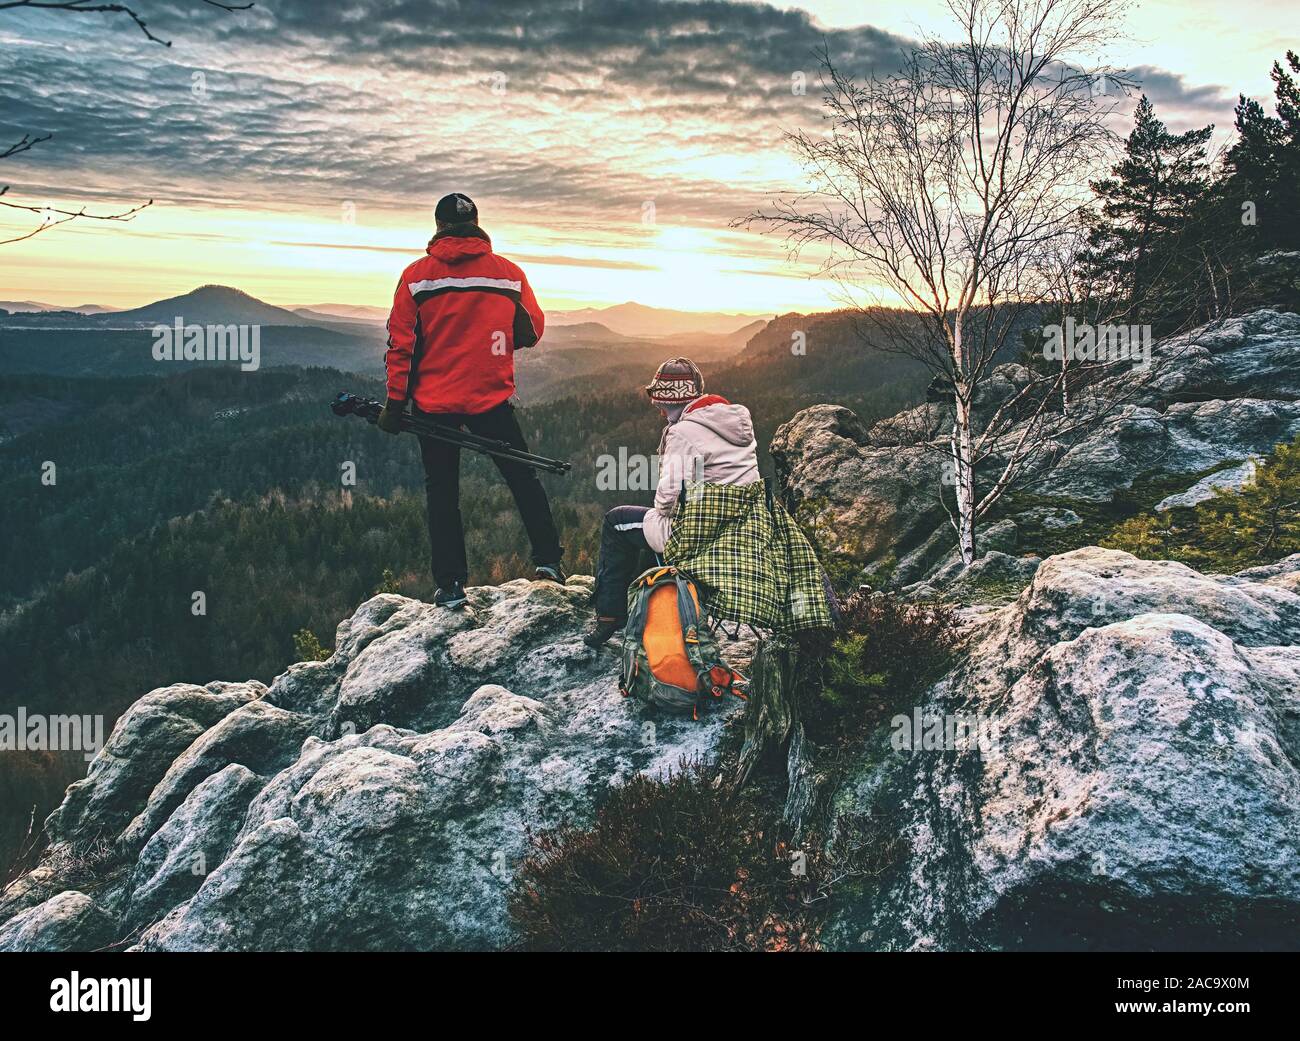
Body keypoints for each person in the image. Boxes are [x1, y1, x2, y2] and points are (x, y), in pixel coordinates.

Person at [378, 192, 565, 608]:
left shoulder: (416, 277)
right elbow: (532, 331)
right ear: (477, 223)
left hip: (434, 403)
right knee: (523, 478)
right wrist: (490, 340)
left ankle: (450, 585)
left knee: (442, 492)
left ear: (439, 227)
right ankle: (549, 562)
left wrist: (394, 405)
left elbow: (401, 347)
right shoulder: (508, 274)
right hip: (491, 397)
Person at [584, 357, 760, 647]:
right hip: (739, 536)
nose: (661, 411)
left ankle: (610, 616)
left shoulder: (682, 432)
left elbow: (665, 502)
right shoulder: (737, 422)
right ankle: (646, 601)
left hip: (698, 539)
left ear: (669, 402)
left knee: (616, 522)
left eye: (661, 405)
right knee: (644, 526)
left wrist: (669, 505)